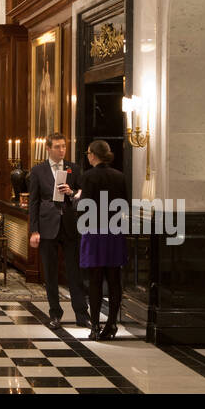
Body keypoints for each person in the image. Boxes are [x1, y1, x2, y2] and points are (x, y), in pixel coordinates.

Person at [27, 132, 90, 328]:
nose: (62, 150)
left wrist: (72, 193)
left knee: (75, 272)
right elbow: (33, 202)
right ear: (48, 148)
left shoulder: (74, 168)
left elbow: (83, 192)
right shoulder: (38, 171)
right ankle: (55, 314)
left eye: (64, 146)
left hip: (70, 225)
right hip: (47, 226)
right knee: (51, 272)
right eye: (57, 147)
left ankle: (82, 314)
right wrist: (34, 231)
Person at [75, 140, 129, 340]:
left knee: (95, 280)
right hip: (115, 232)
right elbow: (125, 205)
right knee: (115, 280)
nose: (87, 156)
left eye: (88, 153)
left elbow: (86, 207)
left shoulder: (88, 177)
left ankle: (95, 326)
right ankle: (112, 323)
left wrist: (76, 200)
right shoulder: (120, 177)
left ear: (93, 155)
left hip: (95, 232)